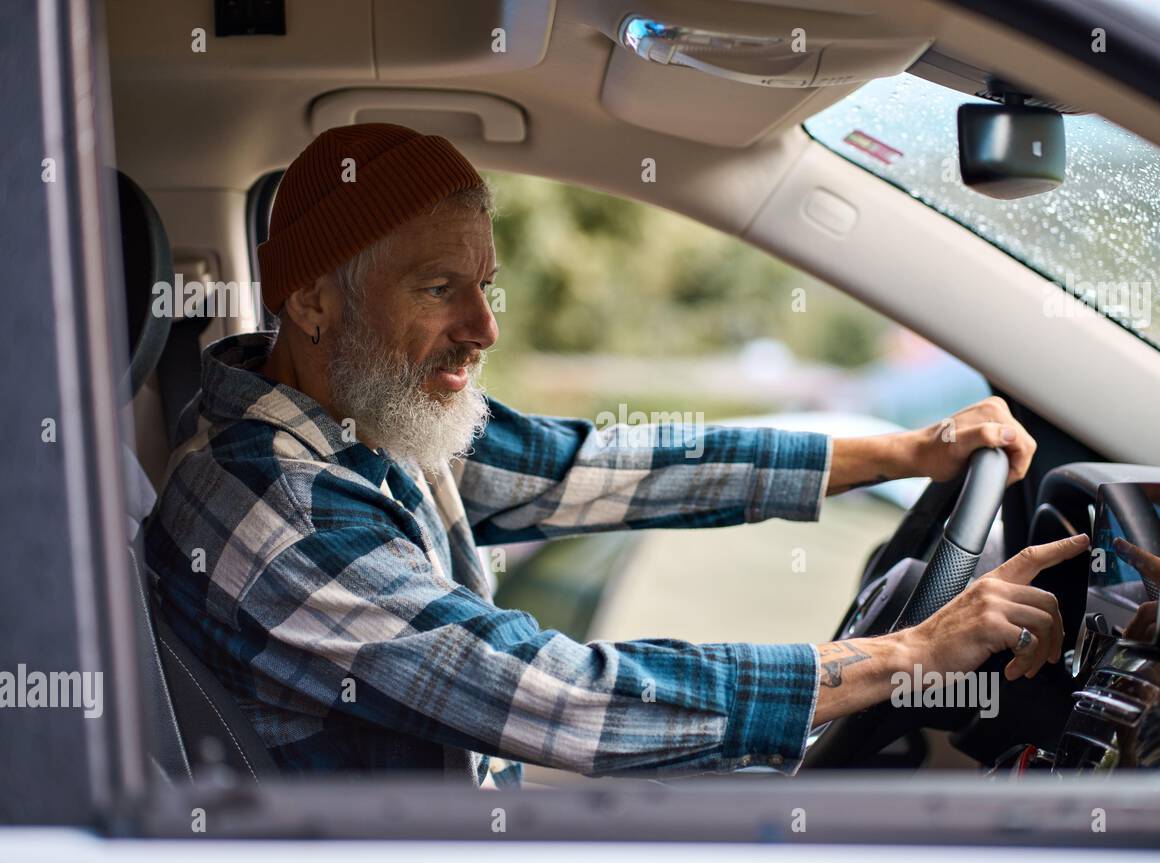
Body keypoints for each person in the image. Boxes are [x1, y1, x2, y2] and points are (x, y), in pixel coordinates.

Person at [144, 123, 1085, 785]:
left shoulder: (361, 417)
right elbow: (559, 698)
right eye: (439, 287)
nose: (483, 328)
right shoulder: (276, 502)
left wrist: (906, 451)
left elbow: (604, 466)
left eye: (485, 286)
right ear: (312, 302)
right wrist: (910, 653)